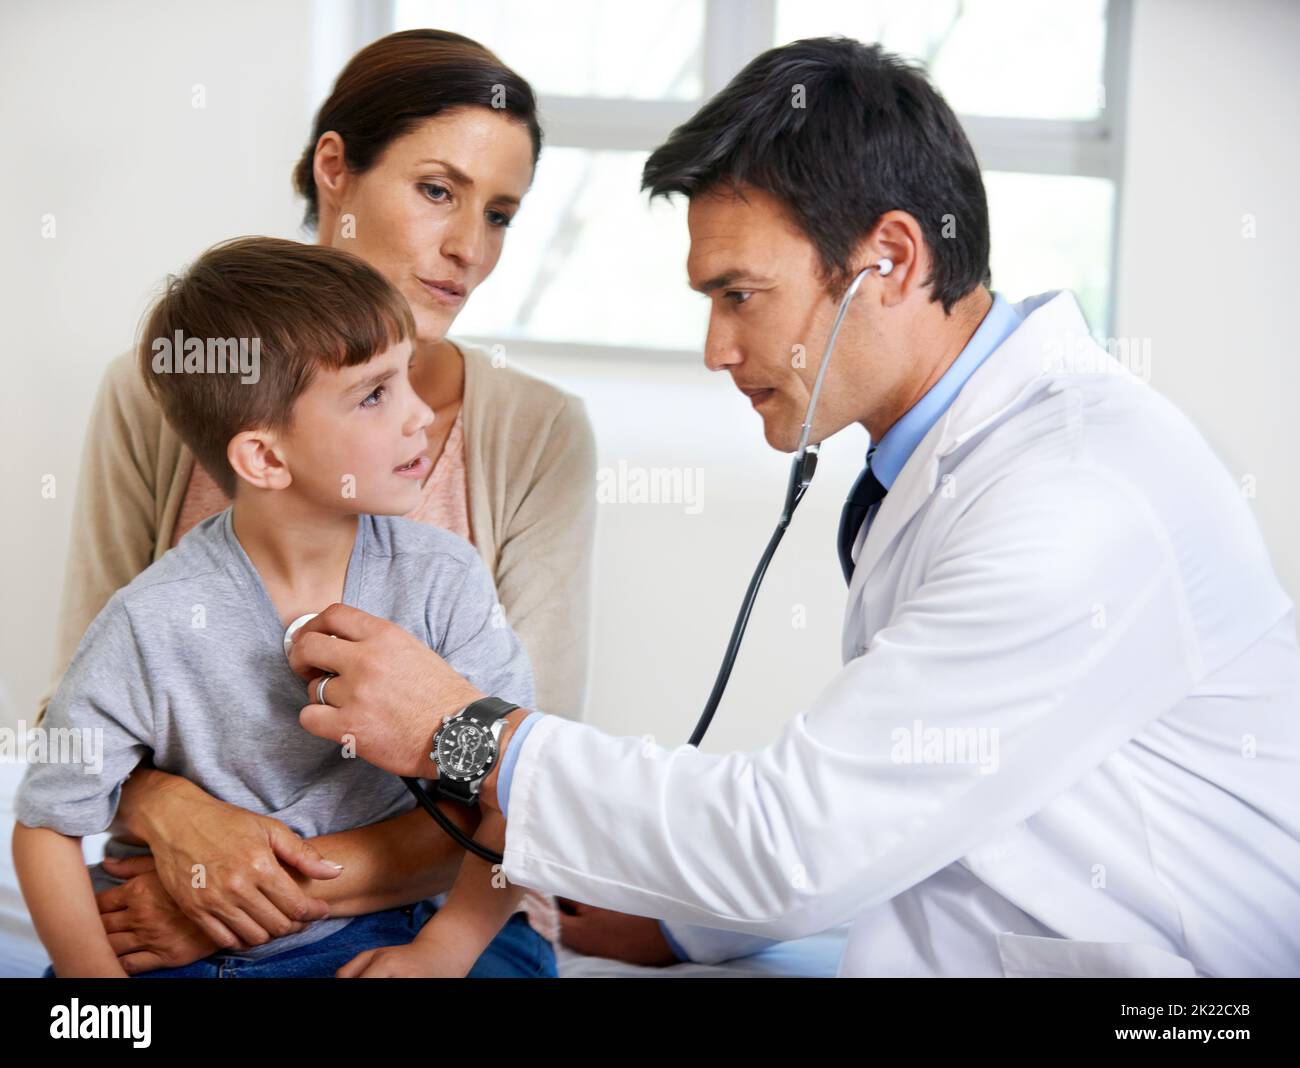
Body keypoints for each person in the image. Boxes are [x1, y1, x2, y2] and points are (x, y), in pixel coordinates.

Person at [284, 37, 1300, 978]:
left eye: (739, 296)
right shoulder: (953, 459)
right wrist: (687, 925)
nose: (717, 350)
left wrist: (455, 731)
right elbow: (895, 801)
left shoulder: (1074, 499)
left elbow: (794, 839)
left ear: (890, 261)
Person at [32, 30, 595, 973]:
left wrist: (260, 901)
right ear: (335, 168)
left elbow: (521, 766)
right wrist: (190, 846)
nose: (469, 248)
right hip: (172, 895)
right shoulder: (162, 387)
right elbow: (80, 715)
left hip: (422, 904)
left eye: (500, 214)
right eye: (437, 190)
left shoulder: (536, 441)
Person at [16, 237, 545, 978]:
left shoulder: (441, 584)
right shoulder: (154, 618)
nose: (421, 415)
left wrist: (441, 952)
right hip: (176, 939)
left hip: (397, 920)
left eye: (408, 379)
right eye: (374, 394)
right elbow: (46, 825)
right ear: (263, 458)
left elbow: (514, 790)